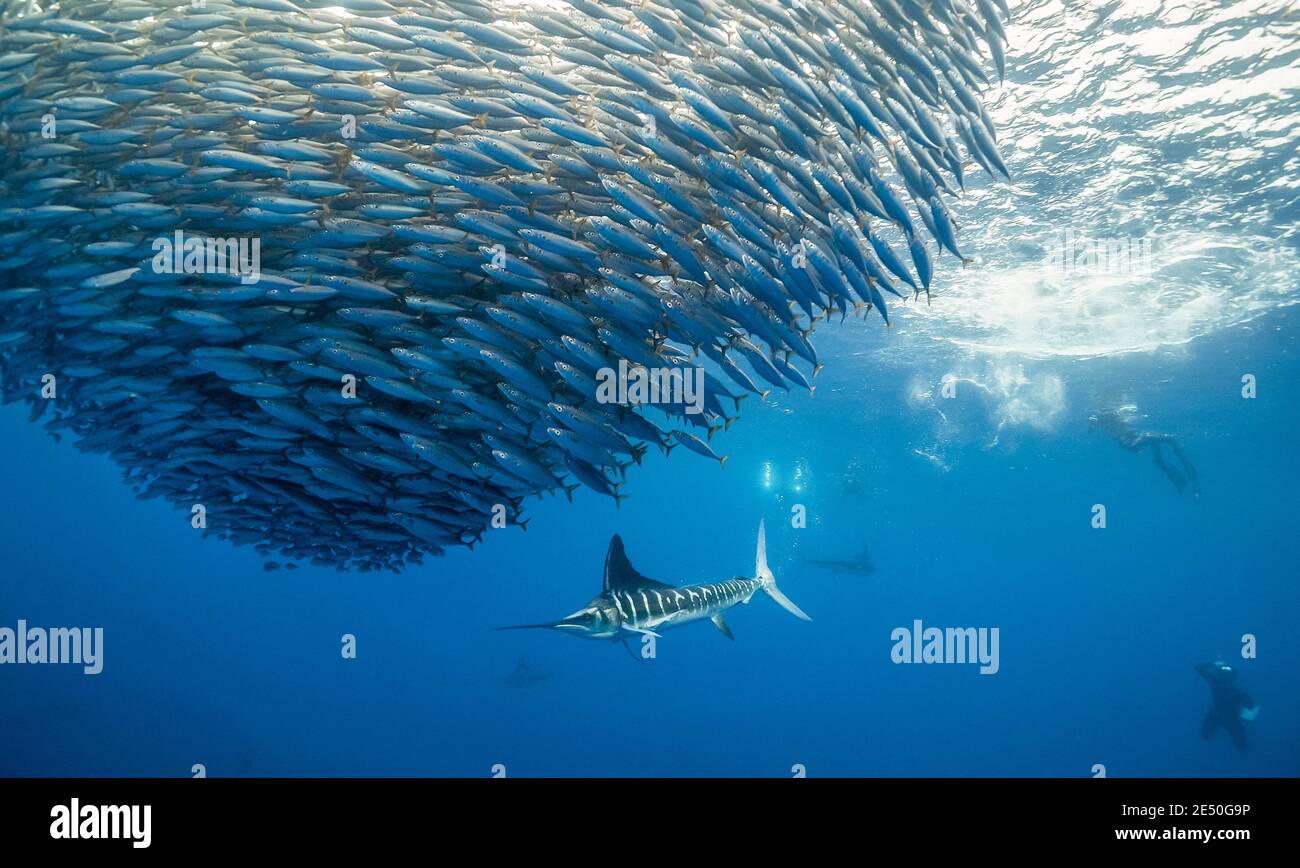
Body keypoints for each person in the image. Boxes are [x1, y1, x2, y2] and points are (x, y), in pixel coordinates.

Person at [1089, 410, 1201, 498]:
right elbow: (1095, 423)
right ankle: (1190, 483)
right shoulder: (1107, 422)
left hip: (1139, 437)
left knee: (1164, 446)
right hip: (1133, 439)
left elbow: (1097, 424)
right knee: (1161, 446)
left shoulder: (1127, 433)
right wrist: (1093, 424)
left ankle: (1193, 484)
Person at [1195, 660, 1258, 751]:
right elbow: (1198, 668)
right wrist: (1213, 663)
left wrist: (1213, 664)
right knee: (1204, 736)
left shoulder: (1232, 688)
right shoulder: (1217, 683)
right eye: (1224, 674)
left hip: (1228, 719)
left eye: (1228, 675)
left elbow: (1249, 704)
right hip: (1219, 717)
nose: (1226, 678)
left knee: (1243, 746)